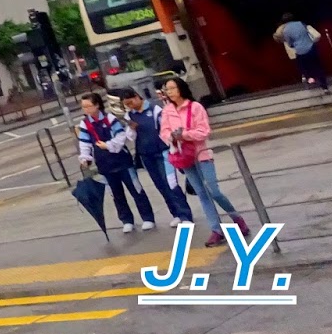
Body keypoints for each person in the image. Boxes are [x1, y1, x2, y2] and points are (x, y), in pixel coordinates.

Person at [159, 76, 251, 248]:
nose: (169, 92)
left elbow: (204, 131)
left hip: (201, 154)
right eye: (167, 89)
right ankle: (216, 230)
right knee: (201, 193)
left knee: (213, 190)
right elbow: (163, 132)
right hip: (183, 156)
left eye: (172, 88)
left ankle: (236, 217)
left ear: (181, 88)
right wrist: (171, 137)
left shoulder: (195, 107)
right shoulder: (167, 111)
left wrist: (184, 134)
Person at [76, 91, 156, 233]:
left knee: (136, 190)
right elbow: (84, 143)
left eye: (88, 106)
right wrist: (85, 158)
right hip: (104, 164)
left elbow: (121, 136)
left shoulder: (110, 118)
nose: (86, 110)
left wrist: (108, 145)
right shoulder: (85, 124)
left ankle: (148, 218)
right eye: (84, 107)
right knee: (116, 194)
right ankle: (126, 220)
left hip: (122, 161)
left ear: (97, 105)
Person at [120, 89, 192, 227]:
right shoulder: (129, 115)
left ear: (137, 96)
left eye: (131, 102)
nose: (130, 106)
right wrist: (132, 128)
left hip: (163, 151)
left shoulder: (155, 109)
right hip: (146, 154)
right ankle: (175, 213)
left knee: (170, 182)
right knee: (160, 185)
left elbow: (165, 127)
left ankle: (185, 214)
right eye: (126, 105)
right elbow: (130, 138)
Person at [275, 13, 331, 93]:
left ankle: (309, 78)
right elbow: (307, 32)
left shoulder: (285, 30)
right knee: (318, 66)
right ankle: (325, 87)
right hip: (311, 47)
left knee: (302, 66)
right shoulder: (300, 23)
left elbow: (290, 43)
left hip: (300, 51)